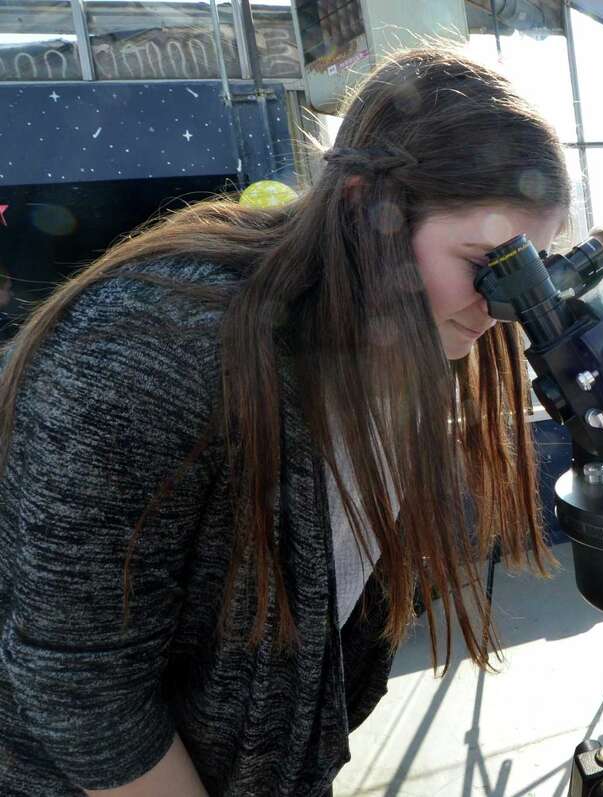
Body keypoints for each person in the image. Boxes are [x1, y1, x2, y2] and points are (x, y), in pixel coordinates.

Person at [0, 48, 567, 796]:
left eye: (530, 268)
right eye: (486, 263)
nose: (503, 310)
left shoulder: (397, 355)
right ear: (366, 206)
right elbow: (79, 685)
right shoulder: (147, 349)